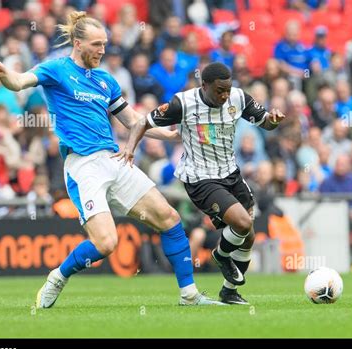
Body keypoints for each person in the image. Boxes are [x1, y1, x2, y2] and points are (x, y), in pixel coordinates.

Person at [0, 11, 223, 308]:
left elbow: (134, 120)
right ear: (77, 43)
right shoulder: (56, 69)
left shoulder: (105, 80)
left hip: (114, 158)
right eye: (96, 44)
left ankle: (189, 295)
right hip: (83, 165)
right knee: (107, 244)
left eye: (105, 44)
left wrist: (174, 136)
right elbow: (20, 82)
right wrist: (5, 73)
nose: (102, 50)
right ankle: (58, 276)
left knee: (170, 219)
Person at [117, 62, 285, 304]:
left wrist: (274, 119)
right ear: (204, 85)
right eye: (219, 90)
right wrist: (130, 149)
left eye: (227, 89)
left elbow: (265, 122)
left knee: (248, 234)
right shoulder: (183, 103)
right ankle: (221, 254)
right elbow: (143, 122)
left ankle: (229, 291)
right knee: (242, 222)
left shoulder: (238, 98)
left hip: (231, 173)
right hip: (201, 178)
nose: (224, 95)